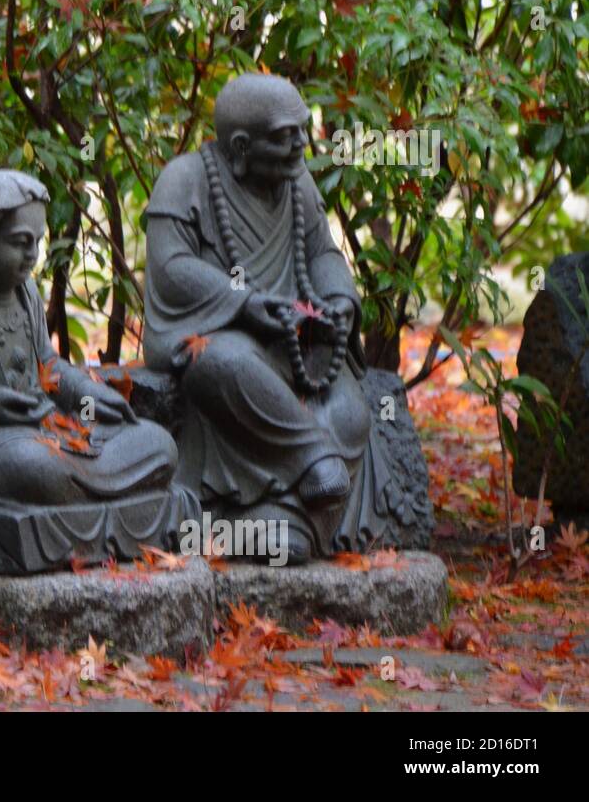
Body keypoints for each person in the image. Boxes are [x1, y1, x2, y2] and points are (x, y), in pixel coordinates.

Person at [143, 73, 410, 561]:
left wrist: (338, 300)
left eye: (303, 130)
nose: (301, 144)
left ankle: (282, 525)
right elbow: (171, 268)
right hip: (224, 335)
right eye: (286, 136)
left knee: (350, 412)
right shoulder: (184, 181)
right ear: (241, 147)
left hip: (294, 342)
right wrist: (244, 303)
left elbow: (322, 252)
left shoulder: (297, 182)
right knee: (222, 364)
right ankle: (312, 458)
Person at [0, 170, 194, 573]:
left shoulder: (25, 291)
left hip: (53, 425)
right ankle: (97, 500)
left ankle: (83, 500)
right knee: (36, 468)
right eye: (19, 242)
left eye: (38, 242)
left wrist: (88, 393)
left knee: (159, 444)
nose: (32, 255)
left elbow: (48, 364)